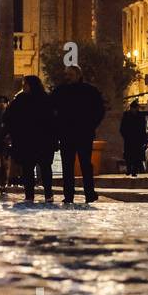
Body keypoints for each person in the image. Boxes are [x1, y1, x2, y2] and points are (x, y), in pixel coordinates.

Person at [51, 65, 105, 204]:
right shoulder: (60, 91)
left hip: (82, 133)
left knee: (85, 165)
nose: (67, 77)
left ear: (78, 75)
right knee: (68, 166)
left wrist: (90, 125)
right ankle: (69, 195)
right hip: (68, 134)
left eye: (70, 74)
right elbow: (51, 110)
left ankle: (89, 193)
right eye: (66, 74)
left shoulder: (89, 91)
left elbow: (99, 110)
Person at [4, 75, 57, 203]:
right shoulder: (27, 99)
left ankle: (42, 194)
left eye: (25, 84)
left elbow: (52, 121)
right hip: (31, 141)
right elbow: (10, 118)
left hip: (36, 140)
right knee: (31, 169)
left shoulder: (38, 100)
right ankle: (35, 195)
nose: (23, 87)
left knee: (40, 168)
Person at [120, 99, 148, 177]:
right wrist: (125, 136)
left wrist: (143, 139)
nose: (136, 110)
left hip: (137, 139)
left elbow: (143, 128)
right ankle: (129, 169)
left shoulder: (140, 116)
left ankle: (134, 171)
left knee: (136, 156)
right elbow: (122, 128)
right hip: (129, 139)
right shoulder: (126, 115)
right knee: (128, 155)